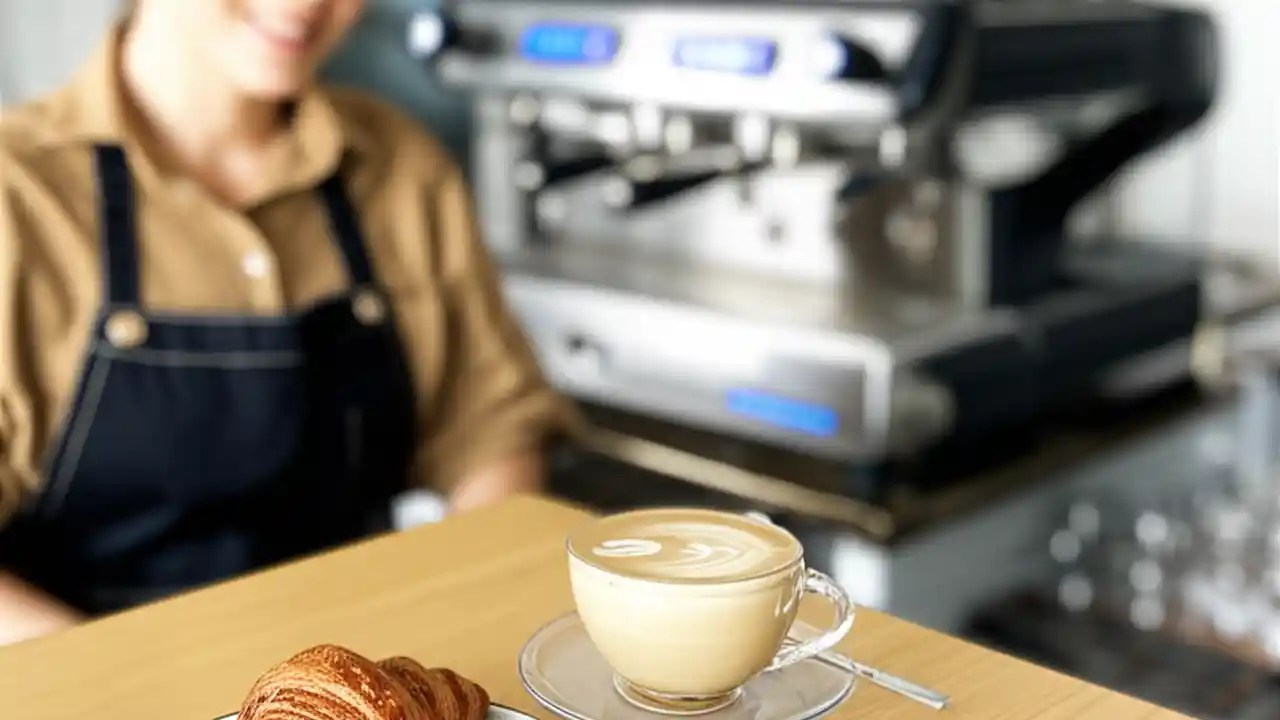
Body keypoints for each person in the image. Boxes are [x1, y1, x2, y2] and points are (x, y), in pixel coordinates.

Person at [0, 0, 578, 644]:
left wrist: (466, 624)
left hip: (364, 660)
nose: (304, 6)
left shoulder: (400, 166)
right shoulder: (15, 195)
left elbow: (490, 429)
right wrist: (124, 681)